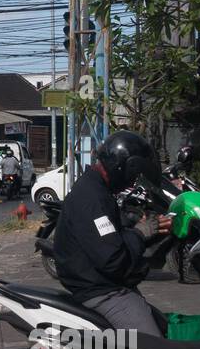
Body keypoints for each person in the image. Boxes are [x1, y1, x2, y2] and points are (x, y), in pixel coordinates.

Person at [53, 130, 171, 334]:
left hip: (101, 283)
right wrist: (140, 234)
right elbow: (112, 260)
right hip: (100, 291)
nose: (132, 182)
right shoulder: (93, 198)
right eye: (132, 175)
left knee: (161, 323)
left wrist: (139, 228)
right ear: (122, 168)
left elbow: (109, 235)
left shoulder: (96, 188)